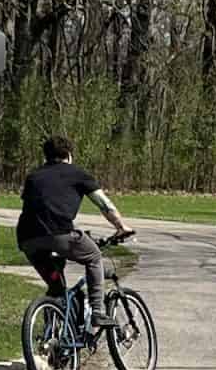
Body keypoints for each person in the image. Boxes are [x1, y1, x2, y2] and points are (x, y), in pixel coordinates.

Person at [17, 134, 135, 326]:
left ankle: (55, 341)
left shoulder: (33, 176)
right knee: (94, 256)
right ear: (69, 155)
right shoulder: (77, 173)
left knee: (56, 288)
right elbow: (104, 204)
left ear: (46, 157)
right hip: (60, 234)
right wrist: (121, 227)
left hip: (28, 240)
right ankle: (97, 312)